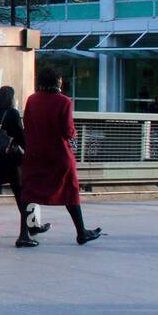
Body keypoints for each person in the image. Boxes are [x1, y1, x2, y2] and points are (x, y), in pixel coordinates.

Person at [21, 66, 102, 245]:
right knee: (70, 190)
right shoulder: (64, 102)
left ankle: (24, 235)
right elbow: (68, 130)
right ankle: (81, 232)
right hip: (59, 154)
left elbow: (26, 123)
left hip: (34, 154)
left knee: (29, 192)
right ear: (57, 81)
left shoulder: (32, 100)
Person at [0, 86, 50, 247]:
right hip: (11, 159)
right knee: (23, 194)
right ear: (10, 98)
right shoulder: (12, 113)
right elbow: (20, 135)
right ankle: (32, 227)